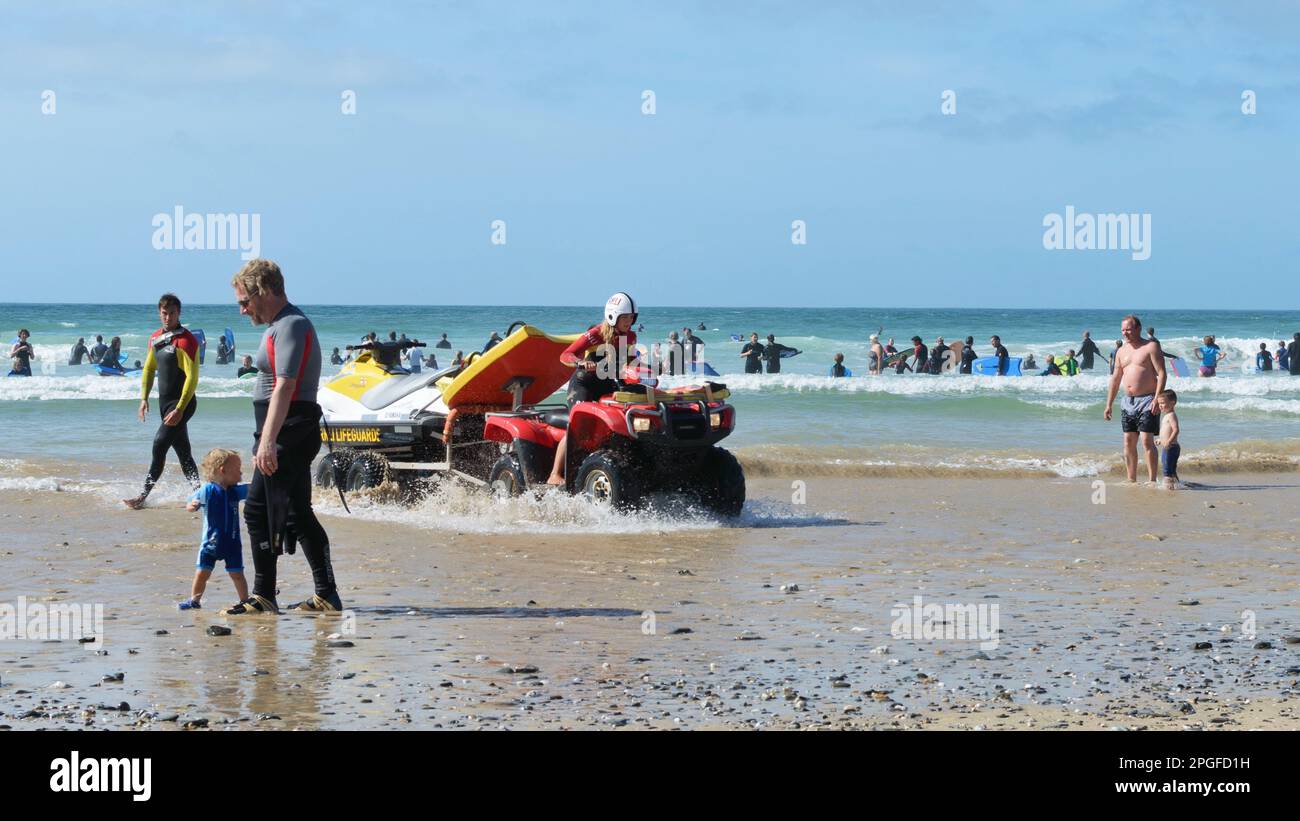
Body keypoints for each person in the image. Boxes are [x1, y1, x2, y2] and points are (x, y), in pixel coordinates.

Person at [223, 258, 340, 615]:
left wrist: (269, 440)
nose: (243, 310)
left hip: (289, 429)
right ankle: (326, 595)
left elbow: (286, 385)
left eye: (245, 301)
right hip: (286, 428)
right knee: (297, 514)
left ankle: (263, 596)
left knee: (257, 511)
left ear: (266, 291)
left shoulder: (292, 324)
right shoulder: (280, 325)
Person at [546, 293, 638, 485]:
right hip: (584, 384)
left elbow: (630, 363)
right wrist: (581, 363)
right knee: (577, 426)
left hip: (607, 384)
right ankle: (555, 474)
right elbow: (566, 354)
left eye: (631, 317)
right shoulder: (596, 334)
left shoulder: (630, 337)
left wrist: (649, 368)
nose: (629, 322)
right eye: (625, 317)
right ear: (613, 316)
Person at [124, 294, 202, 509]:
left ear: (179, 314)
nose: (168, 317)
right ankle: (201, 494)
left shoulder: (186, 341)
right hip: (165, 405)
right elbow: (149, 369)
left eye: (172, 313)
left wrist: (179, 408)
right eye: (164, 313)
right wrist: (143, 398)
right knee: (184, 454)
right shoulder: (156, 338)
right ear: (160, 313)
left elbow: (192, 378)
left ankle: (142, 496)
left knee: (159, 445)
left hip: (182, 404)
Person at [178, 448, 250, 610]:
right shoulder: (208, 490)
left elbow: (254, 488)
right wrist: (192, 506)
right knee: (202, 574)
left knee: (237, 574)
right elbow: (190, 502)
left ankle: (245, 602)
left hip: (232, 544)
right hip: (210, 544)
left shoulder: (235, 491)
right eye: (238, 471)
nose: (241, 474)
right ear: (223, 471)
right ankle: (194, 601)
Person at [1104, 314, 1167, 483]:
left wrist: (1156, 398)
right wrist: (1108, 404)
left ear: (1138, 328)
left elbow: (1162, 374)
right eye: (1123, 330)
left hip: (1148, 400)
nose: (1125, 333)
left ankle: (1152, 480)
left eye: (1129, 329)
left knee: (1147, 441)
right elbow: (1116, 379)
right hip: (1128, 402)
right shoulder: (1121, 351)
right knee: (1128, 442)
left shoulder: (1151, 347)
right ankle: (1131, 479)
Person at [1155, 390, 1180, 490]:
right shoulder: (1166, 415)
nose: (1160, 406)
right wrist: (1160, 440)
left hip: (1171, 447)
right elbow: (1167, 431)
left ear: (1172, 403)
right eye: (1159, 403)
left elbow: (1176, 430)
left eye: (1162, 403)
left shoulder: (1171, 415)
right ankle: (1176, 485)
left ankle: (1168, 488)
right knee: (1171, 470)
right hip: (1170, 446)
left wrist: (1169, 442)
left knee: (1167, 470)